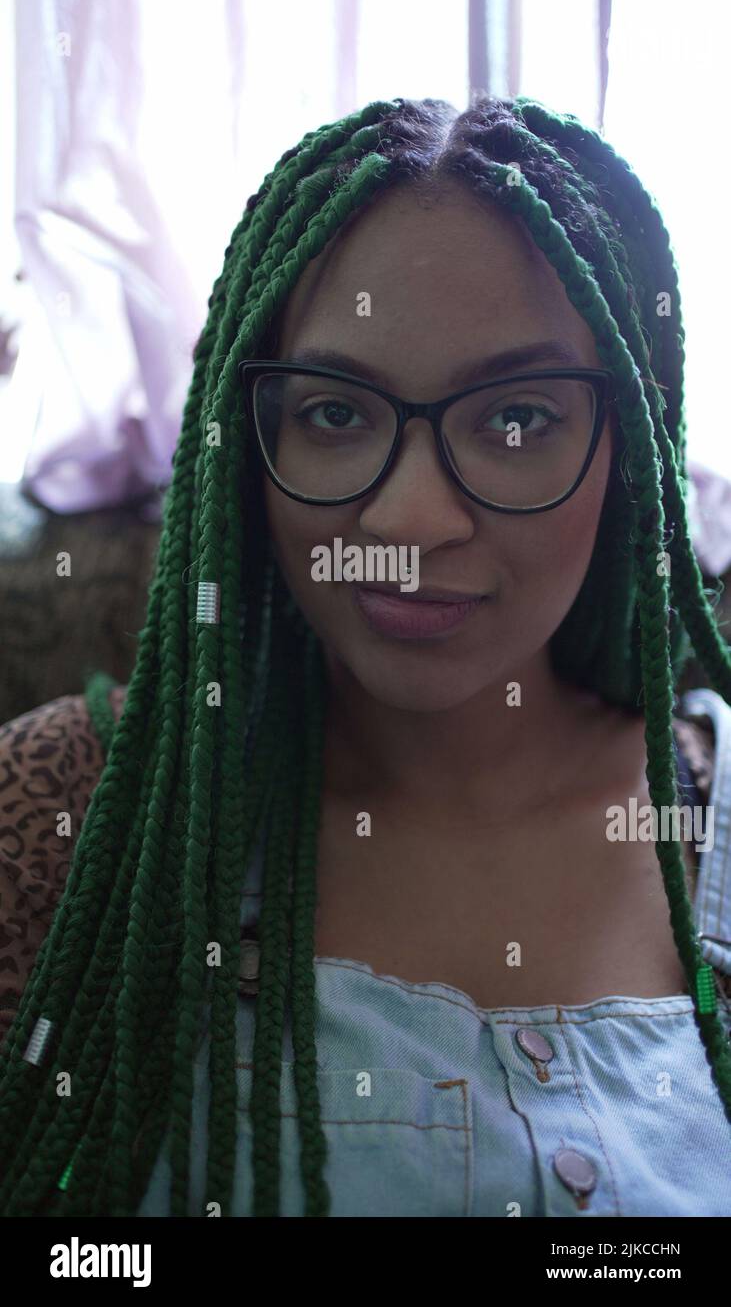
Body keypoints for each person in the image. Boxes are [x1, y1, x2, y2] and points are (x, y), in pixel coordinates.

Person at [1, 95, 730, 1219]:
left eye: (519, 418)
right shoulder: (57, 816)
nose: (407, 520)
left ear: (625, 450)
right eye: (336, 413)